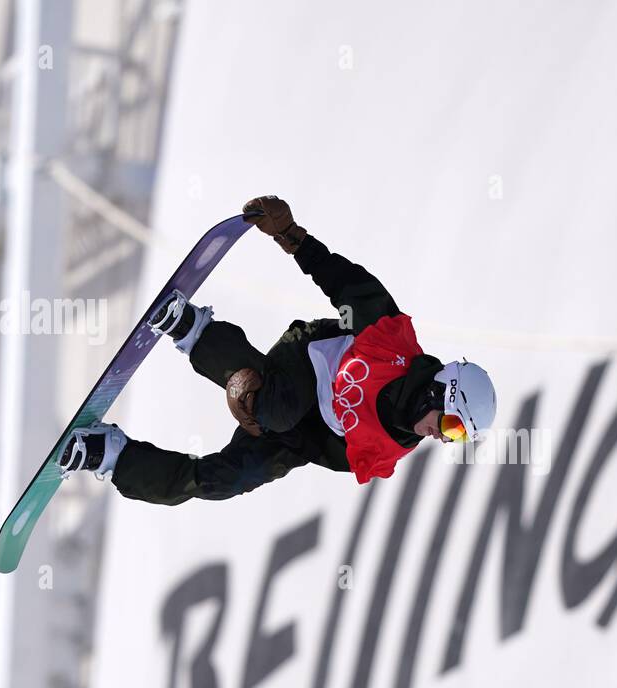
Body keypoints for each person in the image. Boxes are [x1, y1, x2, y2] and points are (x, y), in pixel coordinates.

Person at [56, 196, 497, 504]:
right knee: (278, 406)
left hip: (300, 428)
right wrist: (290, 235)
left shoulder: (384, 451)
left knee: (224, 481)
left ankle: (111, 454)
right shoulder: (392, 341)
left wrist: (267, 440)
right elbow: (345, 282)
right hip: (309, 358)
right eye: (452, 425)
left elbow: (316, 449)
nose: (443, 437)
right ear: (438, 392)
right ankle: (191, 328)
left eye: (455, 438)